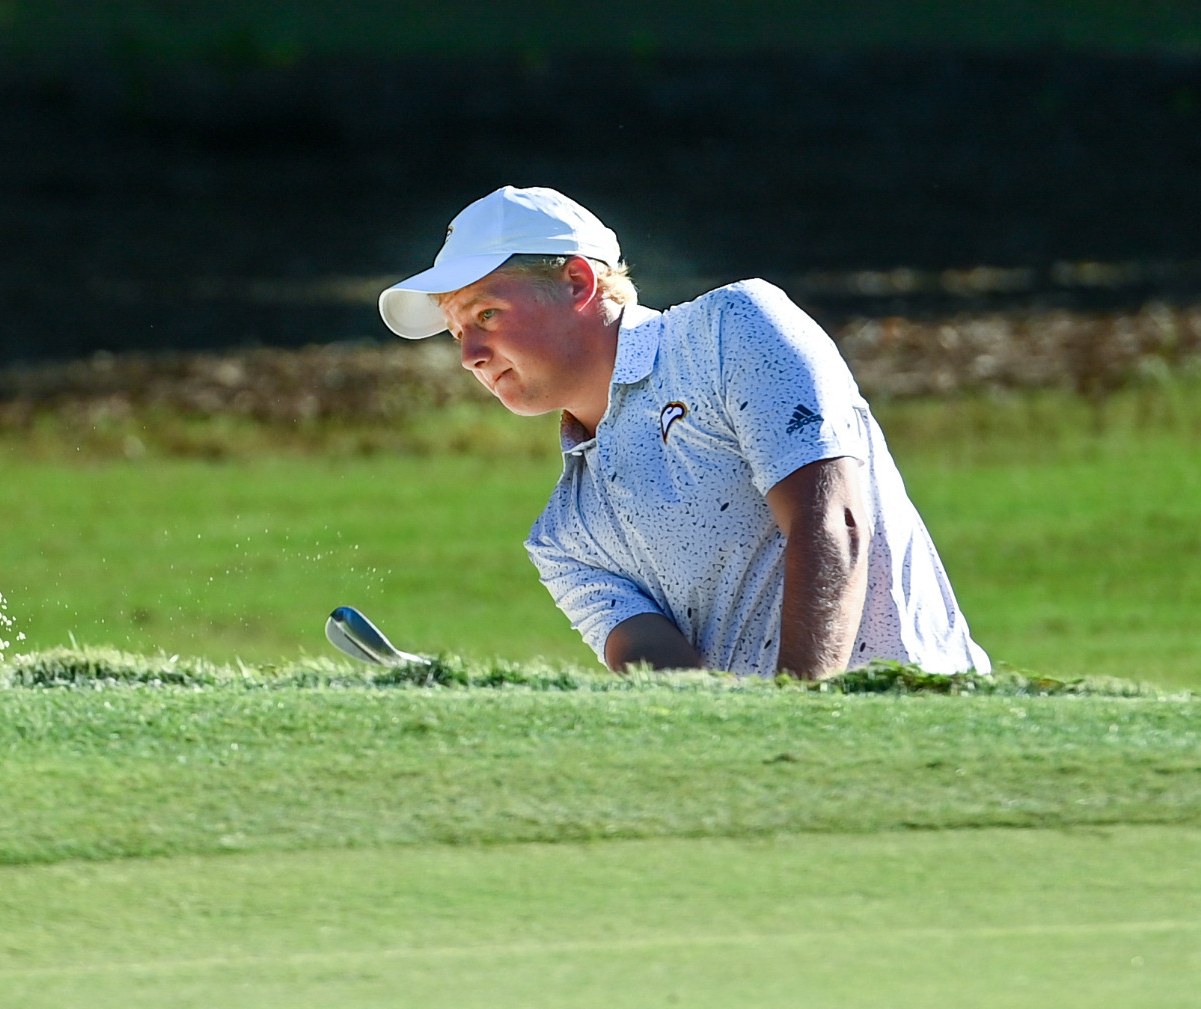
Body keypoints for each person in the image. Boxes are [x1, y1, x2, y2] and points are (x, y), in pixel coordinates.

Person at [378, 186, 989, 679]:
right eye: (458, 333)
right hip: (769, 776)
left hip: (926, 729)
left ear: (577, 283)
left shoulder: (733, 329)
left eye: (487, 314)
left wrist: (798, 723)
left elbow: (834, 522)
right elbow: (679, 687)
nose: (470, 356)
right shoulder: (564, 538)